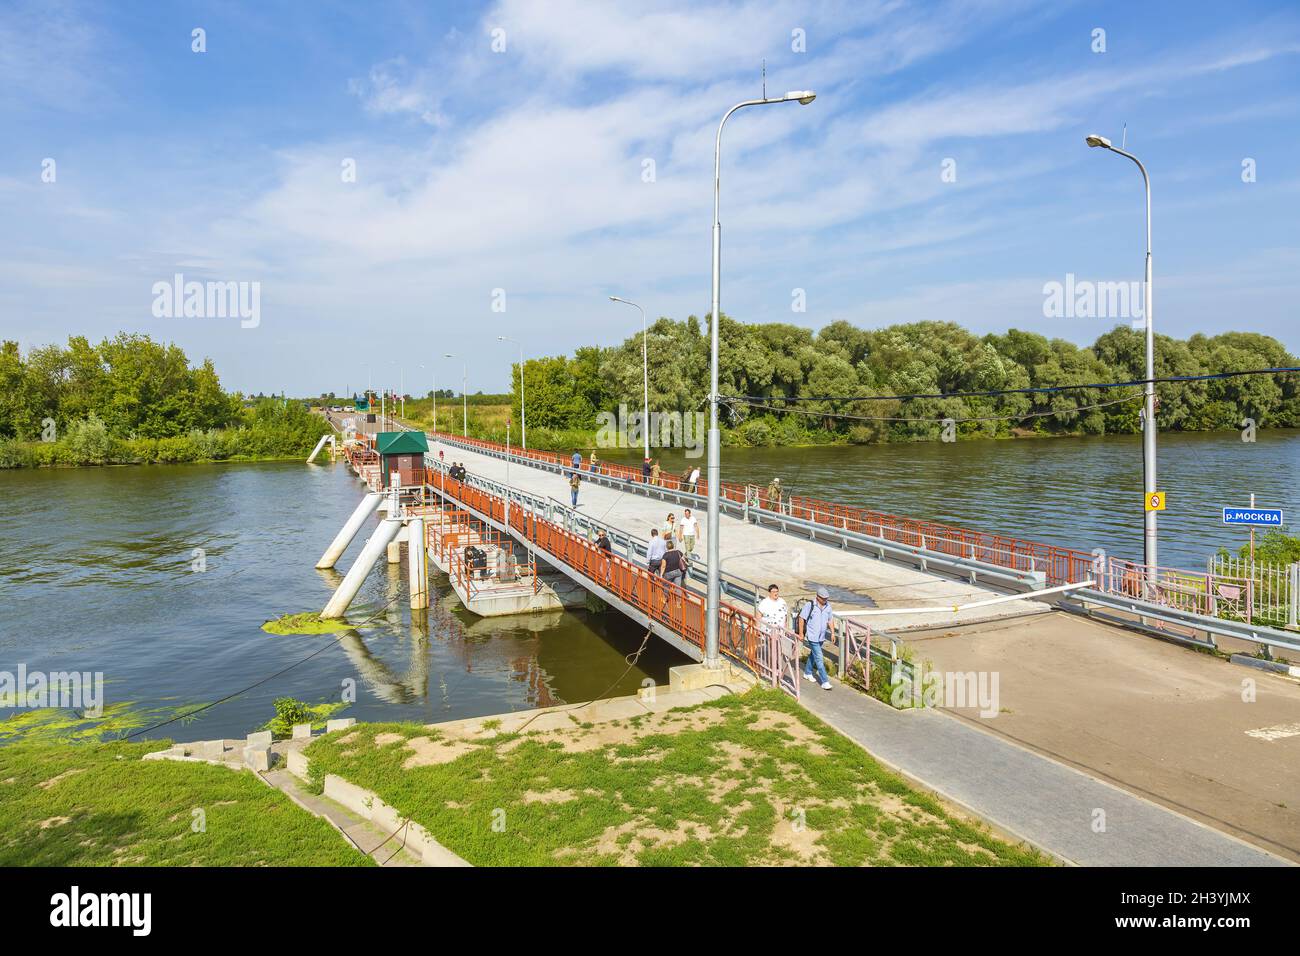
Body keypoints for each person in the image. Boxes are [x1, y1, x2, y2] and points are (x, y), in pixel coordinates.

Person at [797, 586, 834, 690]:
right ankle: (825, 681)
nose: (825, 600)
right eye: (823, 598)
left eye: (826, 598)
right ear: (817, 597)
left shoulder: (828, 607)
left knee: (813, 655)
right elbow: (801, 618)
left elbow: (830, 619)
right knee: (819, 657)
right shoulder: (810, 605)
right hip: (812, 636)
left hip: (821, 637)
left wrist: (832, 633)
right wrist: (801, 633)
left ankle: (807, 672)